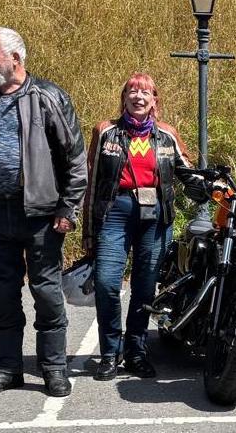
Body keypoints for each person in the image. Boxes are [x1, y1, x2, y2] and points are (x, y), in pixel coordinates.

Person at [0, 27, 87, 398]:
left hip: (41, 214)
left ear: (16, 58)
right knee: (2, 293)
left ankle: (53, 369)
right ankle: (7, 369)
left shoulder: (48, 96)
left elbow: (75, 158)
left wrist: (68, 208)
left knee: (46, 292)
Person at [82, 73, 202, 380]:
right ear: (123, 98)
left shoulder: (167, 134)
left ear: (155, 101)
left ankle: (136, 351)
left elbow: (188, 173)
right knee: (107, 283)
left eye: (145, 93)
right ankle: (110, 351)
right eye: (132, 92)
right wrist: (89, 231)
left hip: (156, 216)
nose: (139, 97)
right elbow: (92, 182)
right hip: (115, 211)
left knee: (145, 288)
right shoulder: (105, 132)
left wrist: (209, 186)